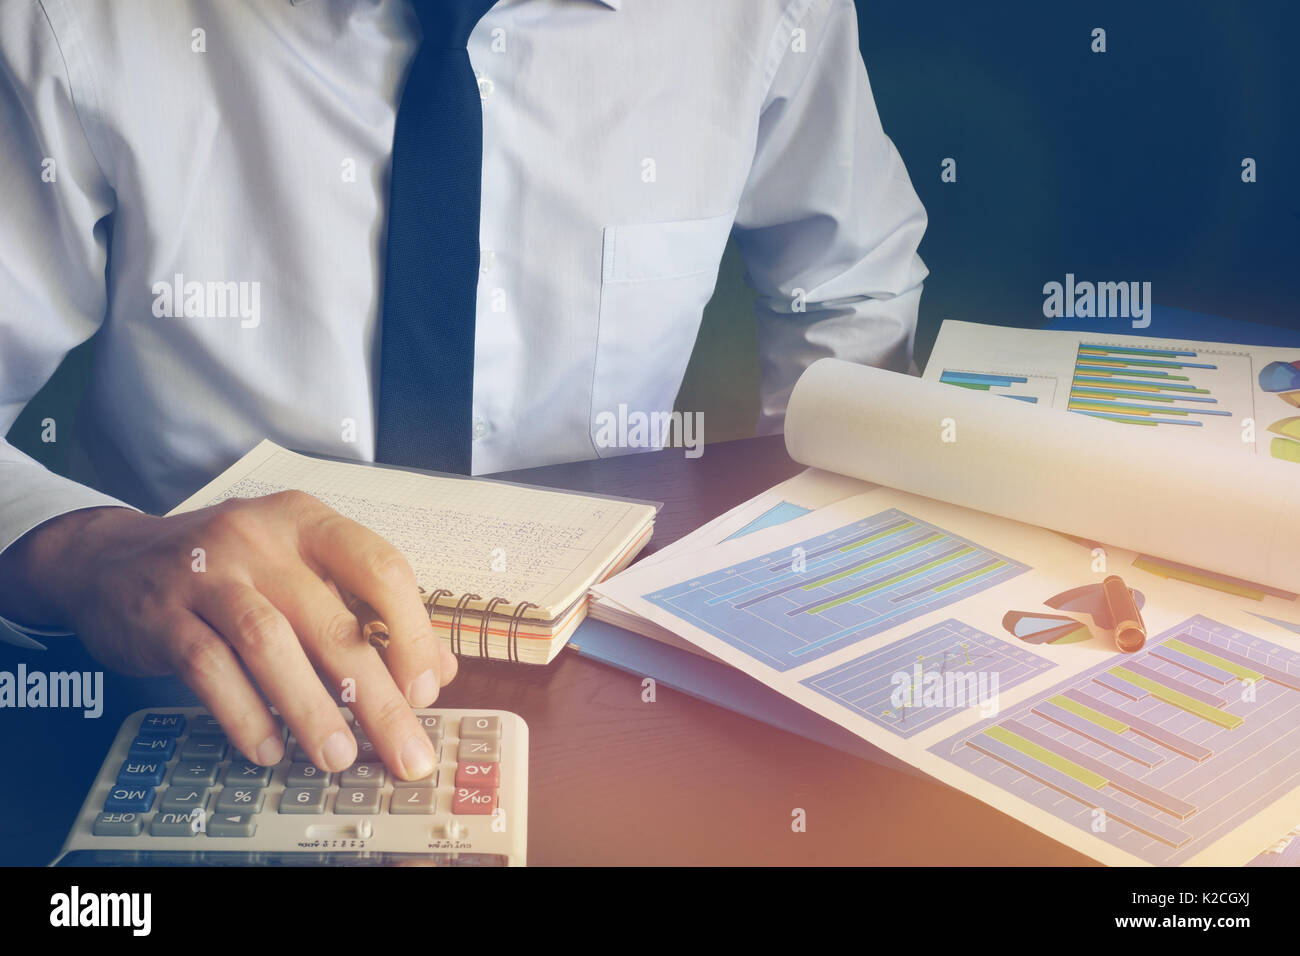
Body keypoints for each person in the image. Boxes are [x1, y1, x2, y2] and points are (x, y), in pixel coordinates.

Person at [0, 0, 927, 779]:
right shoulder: (78, 19)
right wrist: (92, 553)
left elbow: (851, 286)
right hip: (189, 696)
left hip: (612, 692)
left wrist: (792, 571)